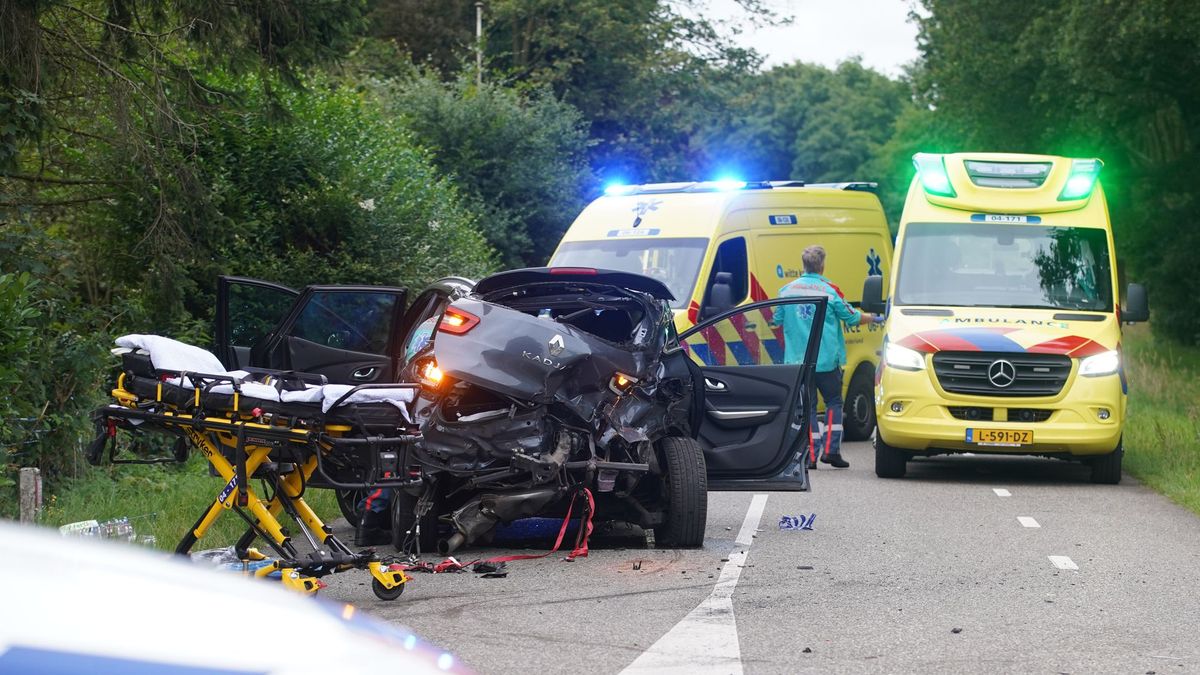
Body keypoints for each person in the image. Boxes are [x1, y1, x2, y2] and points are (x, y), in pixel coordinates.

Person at [771, 245, 882, 469]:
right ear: (822, 265)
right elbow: (851, 318)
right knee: (833, 402)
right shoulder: (830, 291)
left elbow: (776, 319)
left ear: (803, 265)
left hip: (799, 362)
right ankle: (831, 451)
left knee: (808, 407)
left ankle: (810, 455)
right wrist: (874, 318)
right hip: (826, 361)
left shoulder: (786, 291)